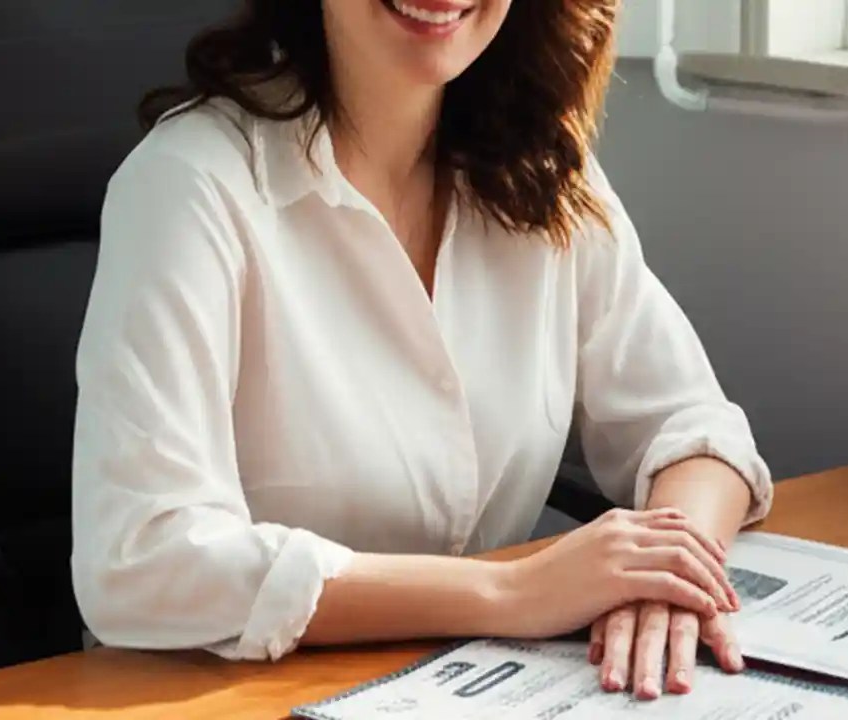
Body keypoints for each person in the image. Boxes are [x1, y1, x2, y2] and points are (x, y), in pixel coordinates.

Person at [70, 0, 773, 701]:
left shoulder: (537, 167)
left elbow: (692, 425)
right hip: (212, 695)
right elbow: (140, 558)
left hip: (471, 685)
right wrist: (510, 591)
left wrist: (666, 578)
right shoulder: (190, 184)